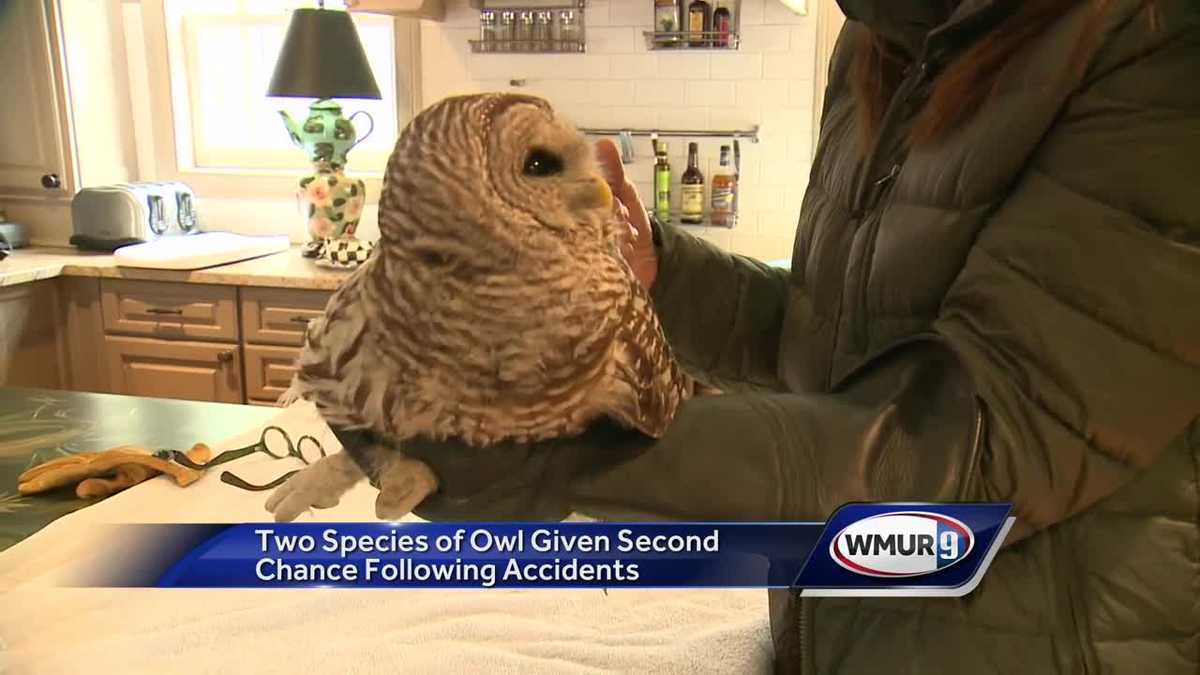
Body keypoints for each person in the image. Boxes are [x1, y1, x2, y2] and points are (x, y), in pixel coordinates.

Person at [399, 0, 1200, 671]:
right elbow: (826, 342)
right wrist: (660, 278)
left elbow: (975, 441)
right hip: (838, 636)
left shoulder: (1157, 39)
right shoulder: (879, 40)